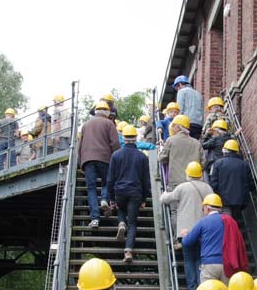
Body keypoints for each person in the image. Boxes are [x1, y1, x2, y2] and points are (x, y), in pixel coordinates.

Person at [160, 162, 214, 290]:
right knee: (200, 259)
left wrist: (163, 194)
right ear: (201, 174)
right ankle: (202, 289)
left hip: (185, 231)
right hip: (204, 230)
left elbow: (167, 199)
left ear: (187, 174)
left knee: (189, 259)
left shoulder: (182, 187)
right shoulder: (208, 188)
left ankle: (192, 289)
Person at [106, 125, 150, 263]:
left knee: (120, 209)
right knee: (133, 222)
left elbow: (110, 179)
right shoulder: (142, 157)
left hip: (120, 190)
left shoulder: (116, 155)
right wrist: (144, 198)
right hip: (135, 192)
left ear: (123, 138)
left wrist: (111, 198)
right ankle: (128, 251)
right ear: (136, 138)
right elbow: (145, 180)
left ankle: (120, 223)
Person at [78, 101, 120, 230]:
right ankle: (104, 199)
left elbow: (79, 145)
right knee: (107, 182)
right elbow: (115, 144)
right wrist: (118, 160)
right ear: (107, 112)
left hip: (88, 160)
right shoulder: (109, 123)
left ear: (95, 111)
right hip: (105, 159)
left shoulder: (85, 125)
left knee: (91, 189)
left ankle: (95, 219)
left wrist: (81, 163)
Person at [182, 193, 227, 287]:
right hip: (227, 264)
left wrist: (185, 235)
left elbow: (187, 242)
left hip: (209, 264)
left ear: (207, 208)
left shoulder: (203, 222)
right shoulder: (228, 221)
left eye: (203, 208)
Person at [158, 114, 203, 188]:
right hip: (194, 183)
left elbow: (162, 158)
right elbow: (203, 163)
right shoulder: (197, 143)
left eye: (173, 126)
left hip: (176, 183)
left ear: (178, 127)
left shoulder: (171, 140)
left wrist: (161, 151)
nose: (172, 128)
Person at [209, 139, 251, 217]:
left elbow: (214, 183)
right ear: (237, 151)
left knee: (226, 222)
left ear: (225, 150)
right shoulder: (244, 165)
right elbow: (248, 183)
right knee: (236, 222)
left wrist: (217, 195)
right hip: (240, 200)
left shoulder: (218, 163)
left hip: (224, 200)